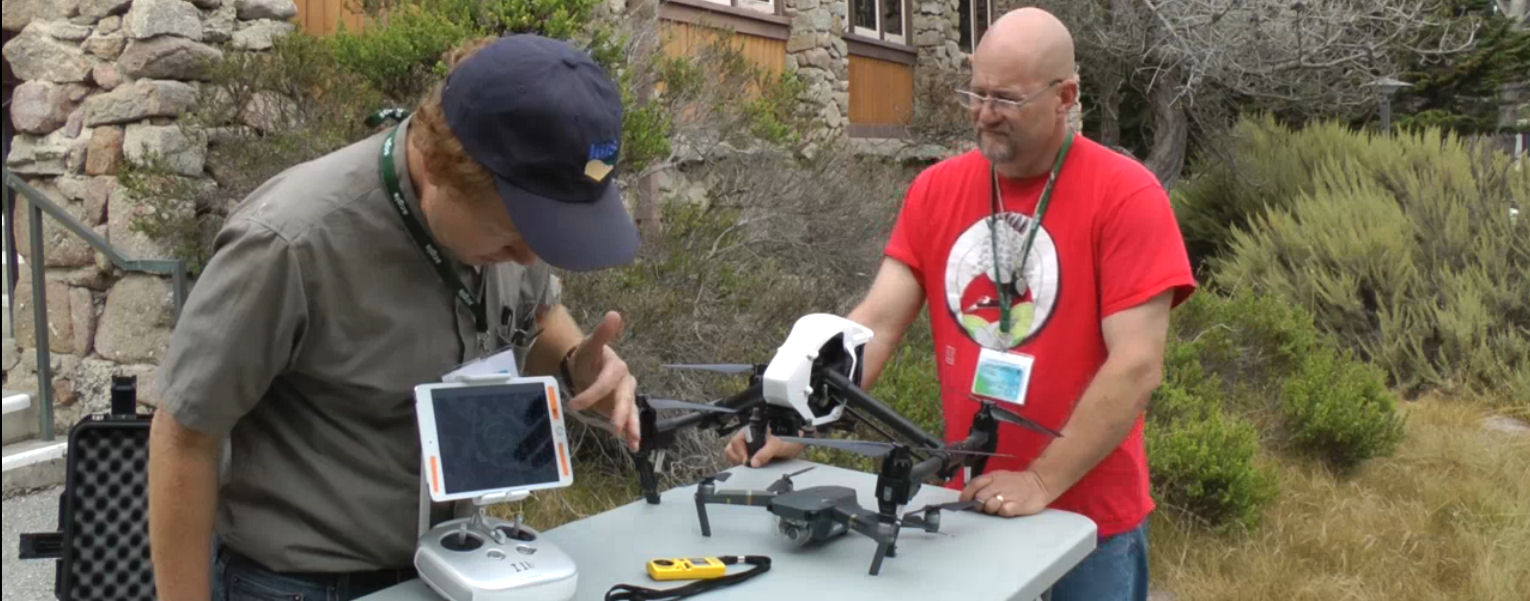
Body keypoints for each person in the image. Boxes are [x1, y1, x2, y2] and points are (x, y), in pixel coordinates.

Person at [148, 34, 644, 601]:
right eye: (513, 239)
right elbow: (185, 435)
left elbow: (536, 312)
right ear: (438, 165)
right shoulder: (289, 246)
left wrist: (580, 363)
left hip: (456, 569)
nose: (529, 257)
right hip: (300, 585)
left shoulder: (500, 225)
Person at [725, 8, 1195, 601]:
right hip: (965, 507)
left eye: (1007, 99)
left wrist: (1042, 480)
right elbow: (876, 324)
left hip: (1089, 523)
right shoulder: (936, 189)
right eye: (976, 91)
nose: (983, 113)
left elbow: (1136, 365)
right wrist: (798, 421)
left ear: (1065, 96)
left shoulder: (1127, 197)